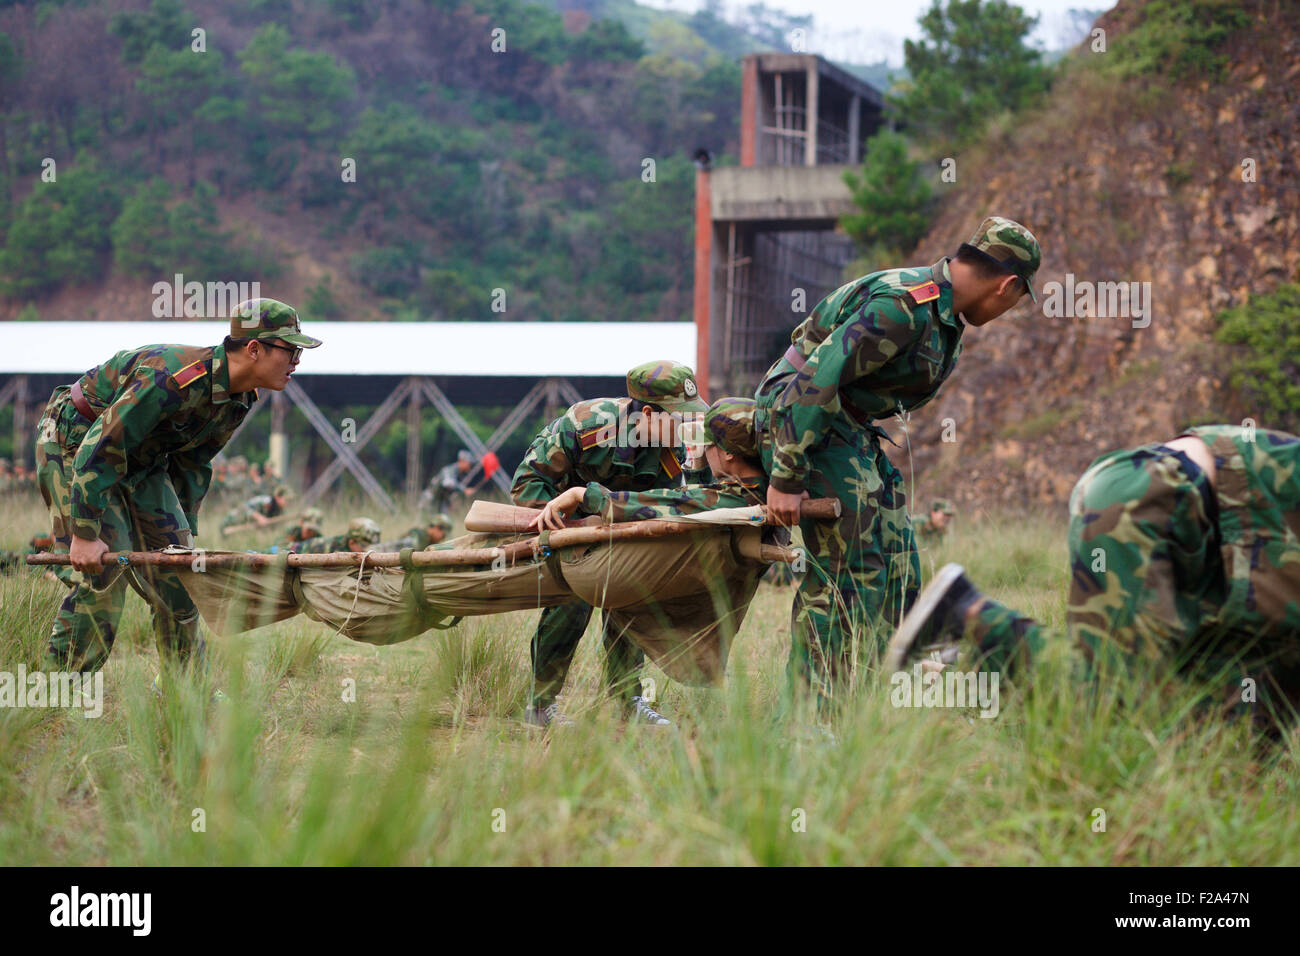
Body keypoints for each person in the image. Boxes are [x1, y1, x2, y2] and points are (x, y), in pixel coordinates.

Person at [755, 216, 1041, 715]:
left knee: (897, 559)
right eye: (1017, 301)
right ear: (1008, 285)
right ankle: (806, 721)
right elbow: (816, 379)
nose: (1008, 309)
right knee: (847, 571)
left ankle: (872, 702)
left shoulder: (945, 312)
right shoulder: (905, 307)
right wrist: (786, 476)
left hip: (843, 424)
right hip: (800, 417)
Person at [887, 425, 1300, 730]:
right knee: (1114, 699)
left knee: (1212, 729)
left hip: (1189, 527)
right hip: (1152, 495)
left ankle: (962, 671)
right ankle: (964, 612)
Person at [35, 298, 321, 674]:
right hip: (77, 443)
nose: (297, 361)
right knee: (104, 572)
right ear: (254, 349)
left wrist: (179, 537)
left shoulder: (239, 398)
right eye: (291, 350)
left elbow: (192, 464)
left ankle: (187, 693)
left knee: (181, 575)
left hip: (141, 461)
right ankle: (58, 690)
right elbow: (102, 447)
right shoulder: (173, 378)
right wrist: (85, 533)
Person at [512, 359, 708, 729]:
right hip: (566, 530)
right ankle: (540, 705)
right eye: (679, 416)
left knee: (633, 597)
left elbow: (696, 498)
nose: (687, 424)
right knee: (573, 602)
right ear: (648, 414)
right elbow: (527, 483)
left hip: (627, 529)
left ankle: (629, 702)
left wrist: (698, 466)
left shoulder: (678, 444)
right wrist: (563, 529)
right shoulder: (585, 425)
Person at [220, 484, 294, 532]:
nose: (288, 503)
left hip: (244, 530)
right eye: (286, 500)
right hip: (231, 522)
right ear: (278, 497)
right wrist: (259, 517)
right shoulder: (267, 501)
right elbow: (244, 507)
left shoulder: (279, 509)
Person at [293, 517, 382, 554]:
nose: (369, 552)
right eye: (364, 548)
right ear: (352, 543)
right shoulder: (338, 552)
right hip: (296, 550)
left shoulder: (349, 547)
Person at [381, 513, 454, 552]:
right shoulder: (418, 538)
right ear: (437, 528)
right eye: (443, 535)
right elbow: (395, 549)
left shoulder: (427, 540)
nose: (442, 538)